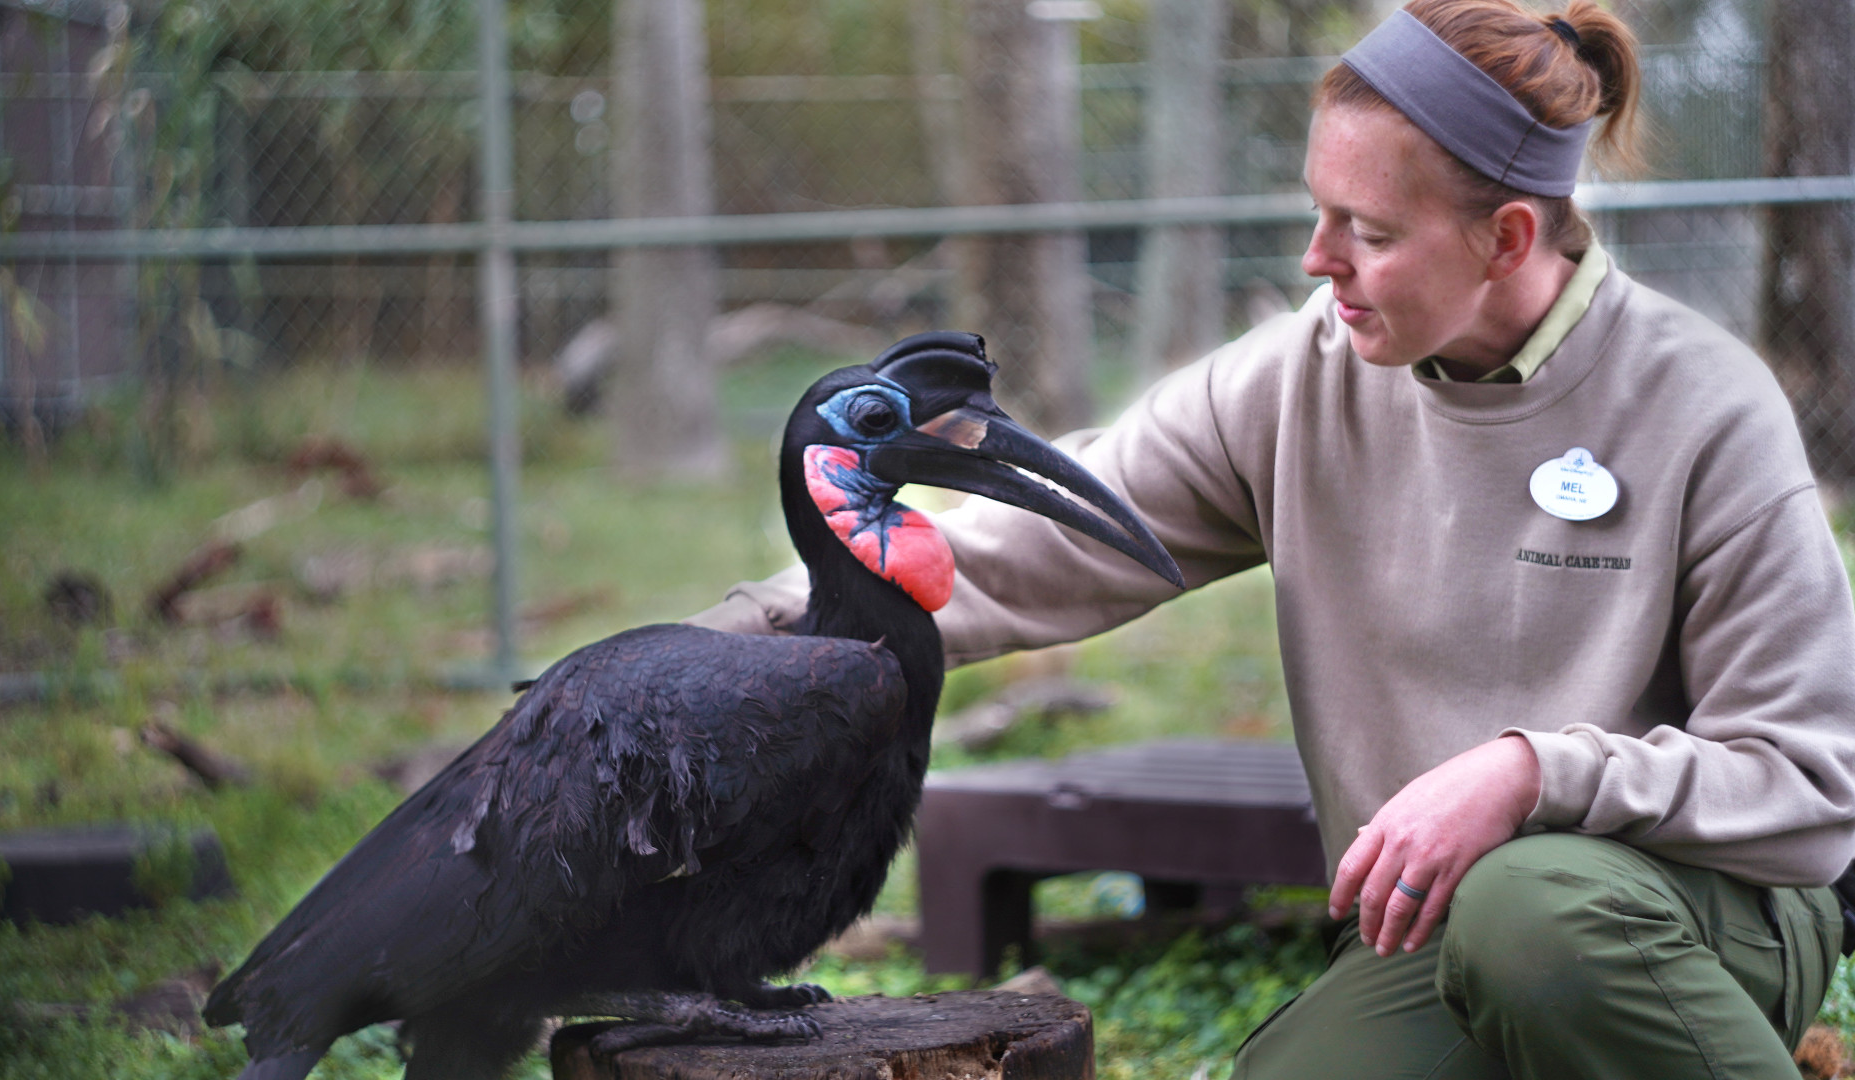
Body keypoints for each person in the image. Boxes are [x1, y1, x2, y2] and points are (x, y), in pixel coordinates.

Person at [689, 0, 1855, 1074]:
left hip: (1704, 907)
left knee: (1533, 918)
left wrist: (1528, 772)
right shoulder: (1304, 380)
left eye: (1369, 229)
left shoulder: (1703, 404)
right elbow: (1019, 549)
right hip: (1434, 928)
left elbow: (1808, 782)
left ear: (1505, 238)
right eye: (1318, 209)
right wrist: (713, 652)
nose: (1317, 258)